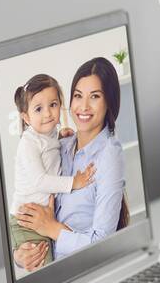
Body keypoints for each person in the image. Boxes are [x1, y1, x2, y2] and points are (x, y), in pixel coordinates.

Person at [13, 58, 125, 270]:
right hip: (55, 269)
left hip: (86, 274)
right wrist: (20, 255)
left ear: (109, 102)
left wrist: (52, 228)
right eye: (78, 96)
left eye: (95, 96)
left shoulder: (109, 155)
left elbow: (102, 244)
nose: (83, 106)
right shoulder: (61, 145)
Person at [7, 73, 96, 267]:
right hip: (26, 221)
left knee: (55, 264)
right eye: (38, 109)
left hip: (43, 219)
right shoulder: (28, 143)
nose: (47, 113)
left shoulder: (52, 136)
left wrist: (62, 137)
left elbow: (52, 152)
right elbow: (40, 181)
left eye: (53, 105)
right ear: (26, 117)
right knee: (46, 267)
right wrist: (74, 182)